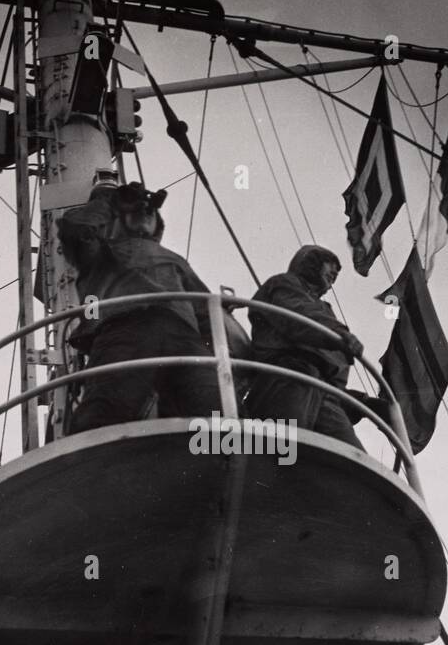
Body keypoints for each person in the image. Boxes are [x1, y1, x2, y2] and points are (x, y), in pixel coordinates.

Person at [60, 184, 220, 433]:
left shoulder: (174, 259)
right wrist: (111, 201)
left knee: (216, 408)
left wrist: (224, 357)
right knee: (103, 413)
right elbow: (77, 229)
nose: (145, 211)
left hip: (184, 337)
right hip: (126, 330)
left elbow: (208, 311)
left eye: (150, 210)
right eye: (136, 208)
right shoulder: (99, 252)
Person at [244, 244, 366, 449]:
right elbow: (299, 315)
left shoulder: (325, 310)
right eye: (331, 265)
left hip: (324, 391)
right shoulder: (283, 284)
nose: (335, 273)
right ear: (311, 262)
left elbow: (334, 360)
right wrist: (339, 334)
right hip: (288, 376)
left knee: (352, 459)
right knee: (282, 449)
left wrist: (362, 402)